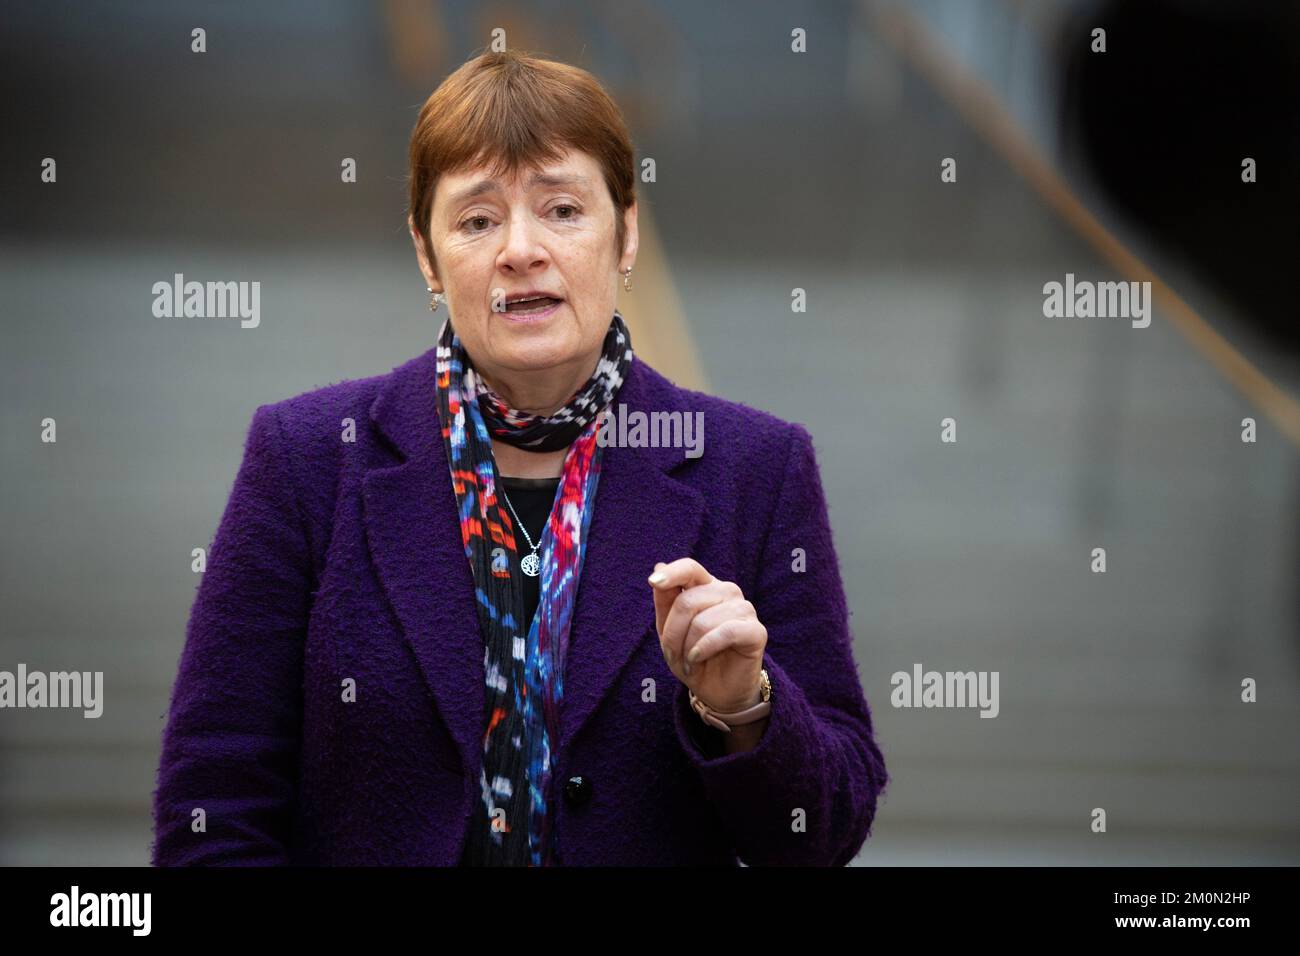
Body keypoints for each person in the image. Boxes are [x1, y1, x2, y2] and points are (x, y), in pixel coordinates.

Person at [151, 48, 888, 867]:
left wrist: (743, 709)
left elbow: (829, 828)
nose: (521, 250)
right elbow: (212, 811)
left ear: (627, 232)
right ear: (428, 256)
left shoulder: (756, 468)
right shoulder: (307, 460)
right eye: (476, 220)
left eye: (563, 209)